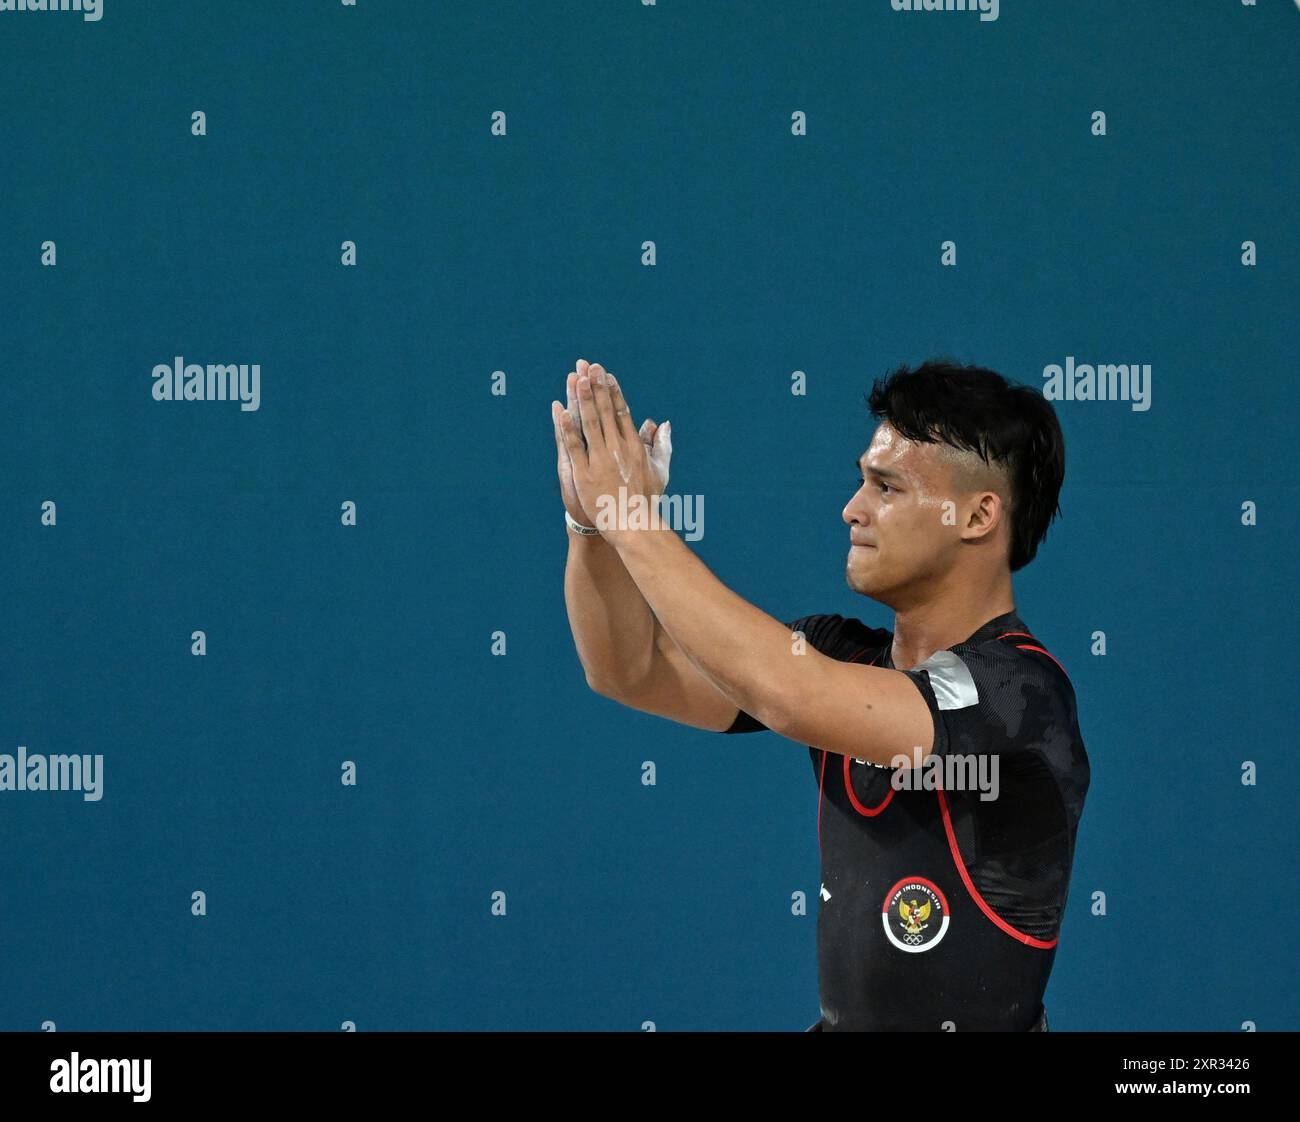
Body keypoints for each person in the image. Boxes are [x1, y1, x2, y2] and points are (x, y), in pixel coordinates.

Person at [551, 358, 1089, 1032]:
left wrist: (631, 517)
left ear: (978, 515)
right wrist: (593, 530)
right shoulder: (838, 654)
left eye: (886, 487)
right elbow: (630, 668)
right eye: (862, 480)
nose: (851, 509)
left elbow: (791, 694)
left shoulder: (1019, 695)